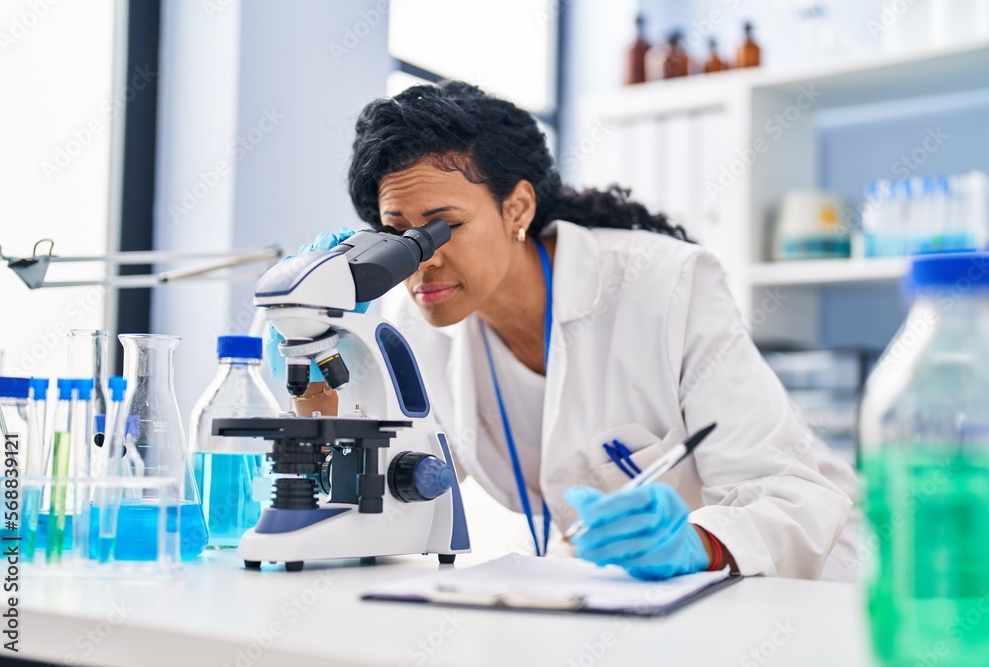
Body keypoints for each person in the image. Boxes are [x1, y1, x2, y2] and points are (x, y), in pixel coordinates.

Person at [275, 81, 860, 582]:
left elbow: (794, 495)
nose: (420, 262)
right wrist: (323, 345)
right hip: (619, 595)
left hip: (797, 594)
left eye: (444, 227)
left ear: (517, 209)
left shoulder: (670, 286)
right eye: (396, 234)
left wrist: (696, 544)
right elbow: (381, 490)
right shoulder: (417, 327)